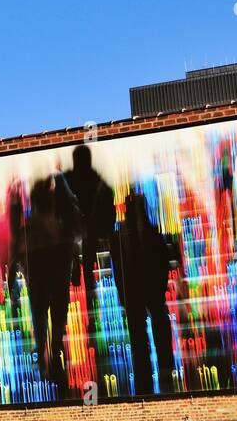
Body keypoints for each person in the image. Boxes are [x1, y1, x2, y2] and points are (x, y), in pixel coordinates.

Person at [111, 186, 178, 395]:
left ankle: (146, 372)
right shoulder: (152, 231)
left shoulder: (121, 235)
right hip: (148, 289)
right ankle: (162, 368)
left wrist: (123, 294)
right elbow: (163, 260)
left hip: (136, 291)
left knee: (141, 332)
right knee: (156, 325)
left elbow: (118, 268)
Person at [19, 171, 81, 395]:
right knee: (55, 315)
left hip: (41, 279)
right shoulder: (59, 222)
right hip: (55, 275)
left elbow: (22, 254)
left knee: (42, 316)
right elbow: (70, 245)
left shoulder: (32, 226)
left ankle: (47, 354)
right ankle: (53, 352)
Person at [64, 144, 116, 327]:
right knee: (88, 266)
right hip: (92, 228)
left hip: (76, 228)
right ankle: (92, 309)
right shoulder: (96, 179)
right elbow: (108, 197)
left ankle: (76, 270)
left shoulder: (69, 178)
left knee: (79, 258)